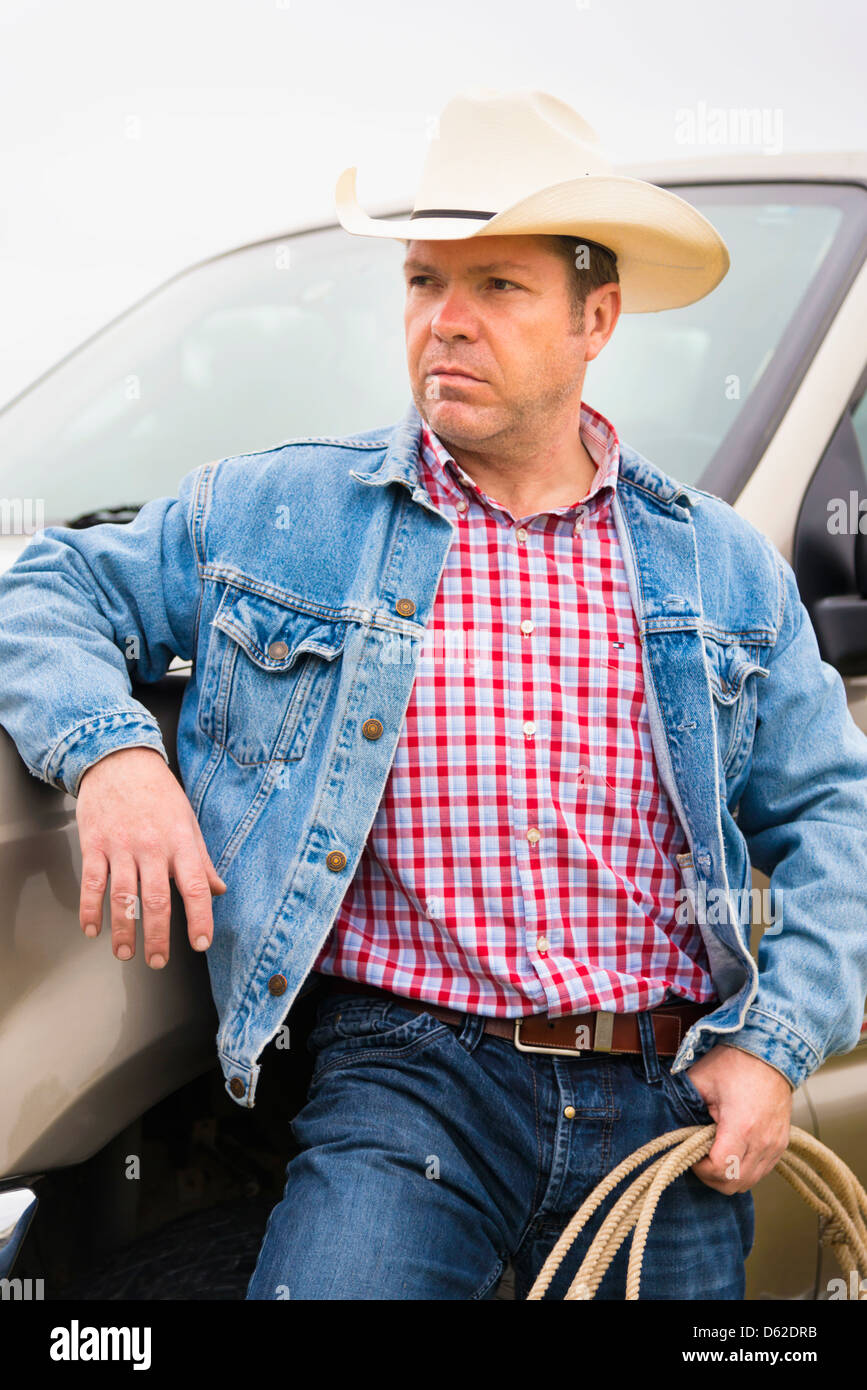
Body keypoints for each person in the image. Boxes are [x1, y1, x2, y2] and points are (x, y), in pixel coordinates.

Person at [1, 88, 867, 1300]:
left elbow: (836, 817)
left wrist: (775, 1050)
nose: (444, 323)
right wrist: (112, 758)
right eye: (421, 282)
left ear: (595, 317)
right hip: (413, 1077)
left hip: (663, 1096)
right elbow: (43, 582)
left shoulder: (721, 565)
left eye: (498, 287)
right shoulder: (286, 514)